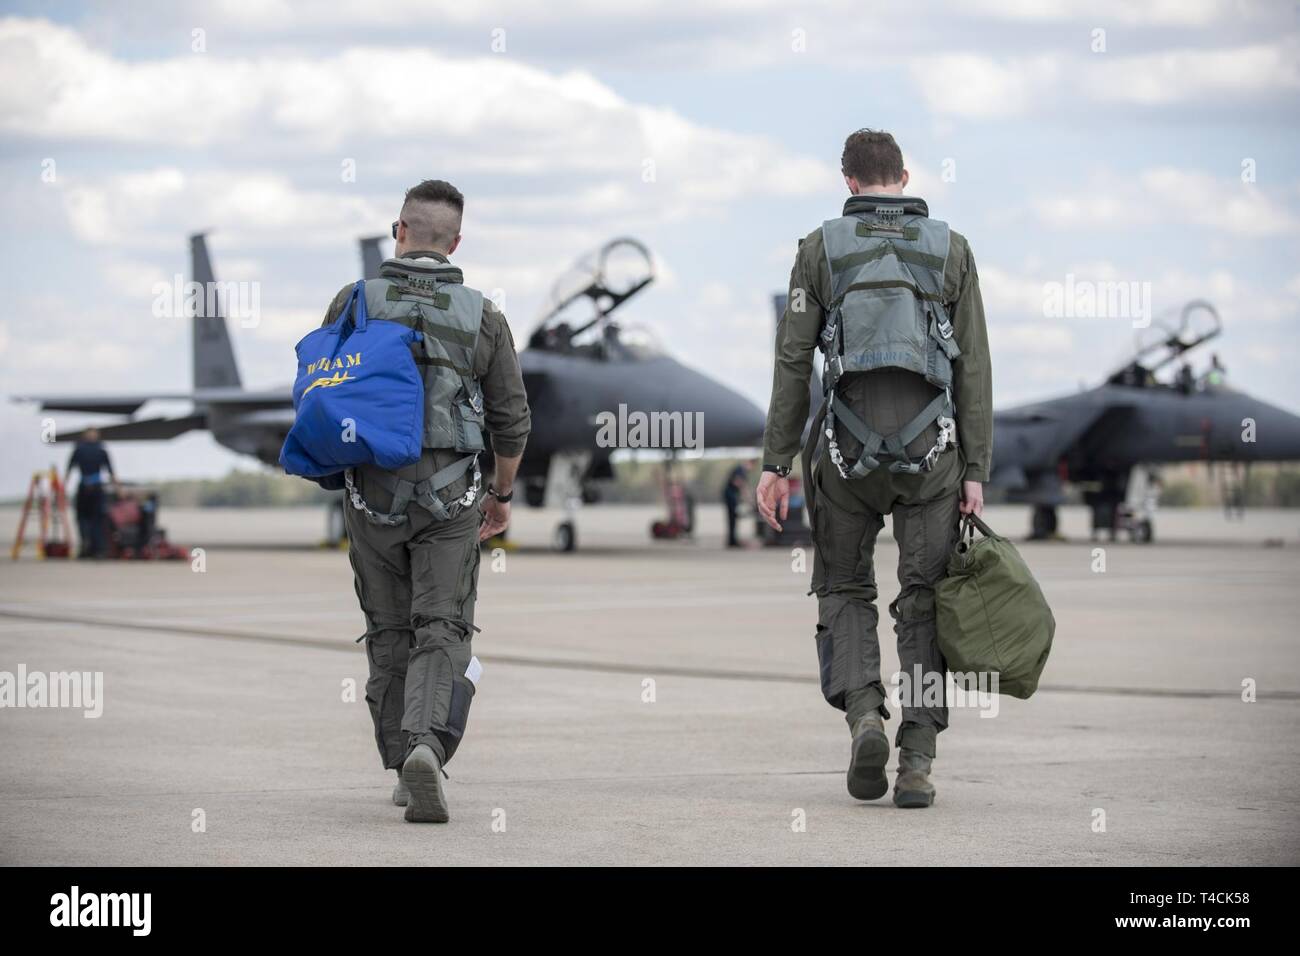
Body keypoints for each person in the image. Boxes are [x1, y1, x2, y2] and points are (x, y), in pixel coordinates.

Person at [756, 129, 992, 809]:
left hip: (843, 456)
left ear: (848, 182)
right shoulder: (952, 248)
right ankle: (917, 758)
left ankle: (865, 715)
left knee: (844, 590)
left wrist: (777, 464)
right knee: (922, 601)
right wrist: (975, 467)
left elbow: (794, 364)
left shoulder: (819, 249)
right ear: (906, 177)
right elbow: (973, 364)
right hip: (933, 458)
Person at [320, 180, 531, 823]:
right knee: (442, 626)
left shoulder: (354, 302)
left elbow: (318, 391)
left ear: (399, 231)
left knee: (388, 630)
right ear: (456, 242)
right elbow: (512, 420)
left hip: (371, 495)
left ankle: (400, 764)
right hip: (452, 499)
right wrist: (500, 494)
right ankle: (427, 748)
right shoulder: (483, 314)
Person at [64, 428, 116, 559]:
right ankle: (97, 549)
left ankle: (86, 546)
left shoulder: (78, 449)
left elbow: (69, 469)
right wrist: (119, 489)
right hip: (97, 488)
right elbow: (110, 471)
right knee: (97, 520)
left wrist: (63, 487)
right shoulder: (101, 450)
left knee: (82, 519)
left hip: (83, 486)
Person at [721, 458, 755, 547]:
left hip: (731, 495)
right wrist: (748, 499)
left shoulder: (740, 470)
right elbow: (739, 483)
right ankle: (732, 541)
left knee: (733, 519)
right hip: (730, 496)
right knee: (732, 518)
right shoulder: (740, 470)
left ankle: (732, 540)